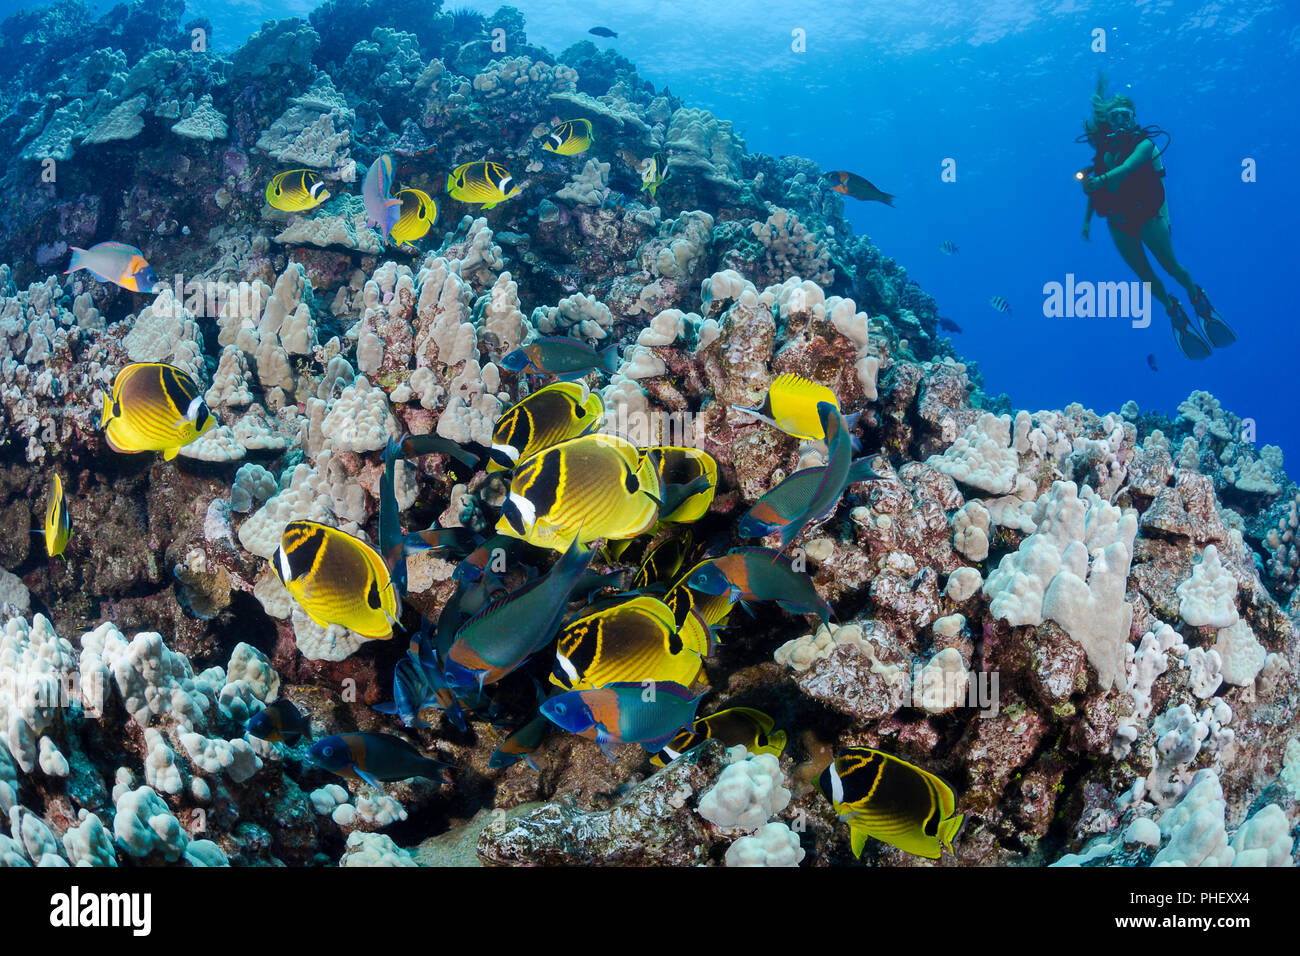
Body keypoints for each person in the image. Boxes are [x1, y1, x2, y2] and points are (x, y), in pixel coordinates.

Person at [1079, 83, 1236, 359]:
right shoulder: (1102, 151)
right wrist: (1087, 220)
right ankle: (1172, 309)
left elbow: (1124, 171)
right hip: (1118, 223)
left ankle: (1197, 297)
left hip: (1148, 216)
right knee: (1145, 276)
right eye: (1115, 116)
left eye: (1126, 115)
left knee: (1172, 267)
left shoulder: (1145, 144)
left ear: (1134, 118)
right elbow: (1099, 190)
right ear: (1108, 120)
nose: (1121, 121)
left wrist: (1098, 181)